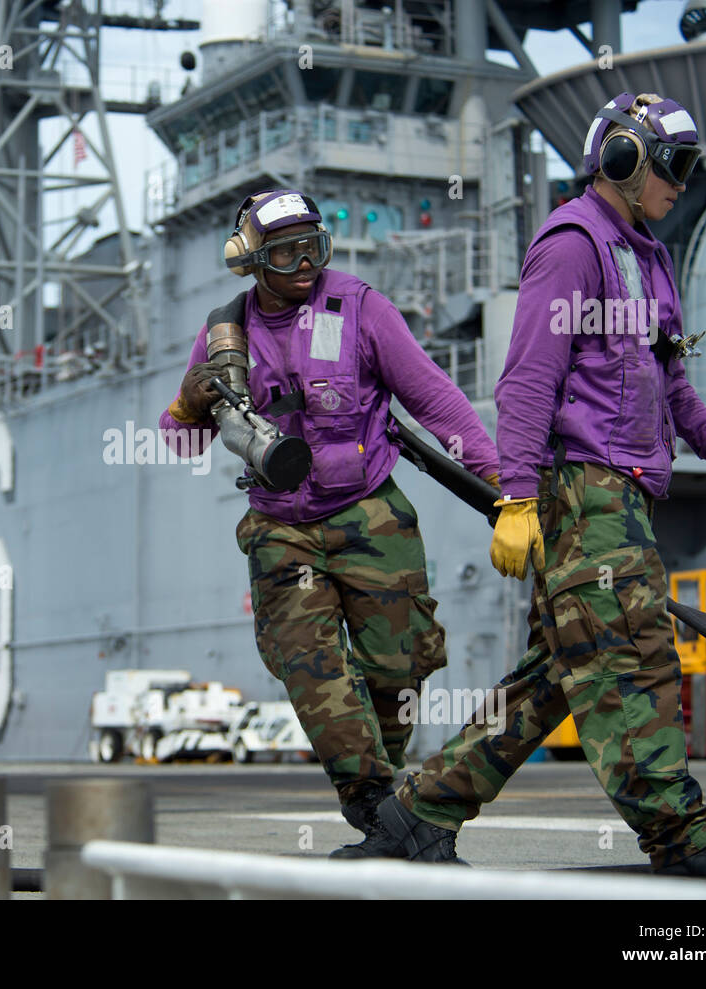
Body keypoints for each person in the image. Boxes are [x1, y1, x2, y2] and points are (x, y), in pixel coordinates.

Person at [352, 93, 706, 878]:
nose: (683, 182)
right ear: (621, 157)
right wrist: (518, 496)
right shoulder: (572, 244)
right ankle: (680, 836)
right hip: (587, 493)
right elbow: (527, 381)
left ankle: (419, 814)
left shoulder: (648, 260)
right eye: (673, 164)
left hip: (619, 494)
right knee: (632, 656)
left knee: (556, 674)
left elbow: (676, 392)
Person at [158, 190, 500, 851]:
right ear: (250, 260)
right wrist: (185, 403)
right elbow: (177, 442)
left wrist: (502, 487)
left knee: (397, 666)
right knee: (313, 669)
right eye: (286, 251)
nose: (305, 262)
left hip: (369, 510)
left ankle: (387, 794)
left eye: (313, 245)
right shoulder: (224, 333)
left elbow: (436, 399)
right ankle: (378, 810)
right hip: (281, 528)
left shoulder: (360, 308)